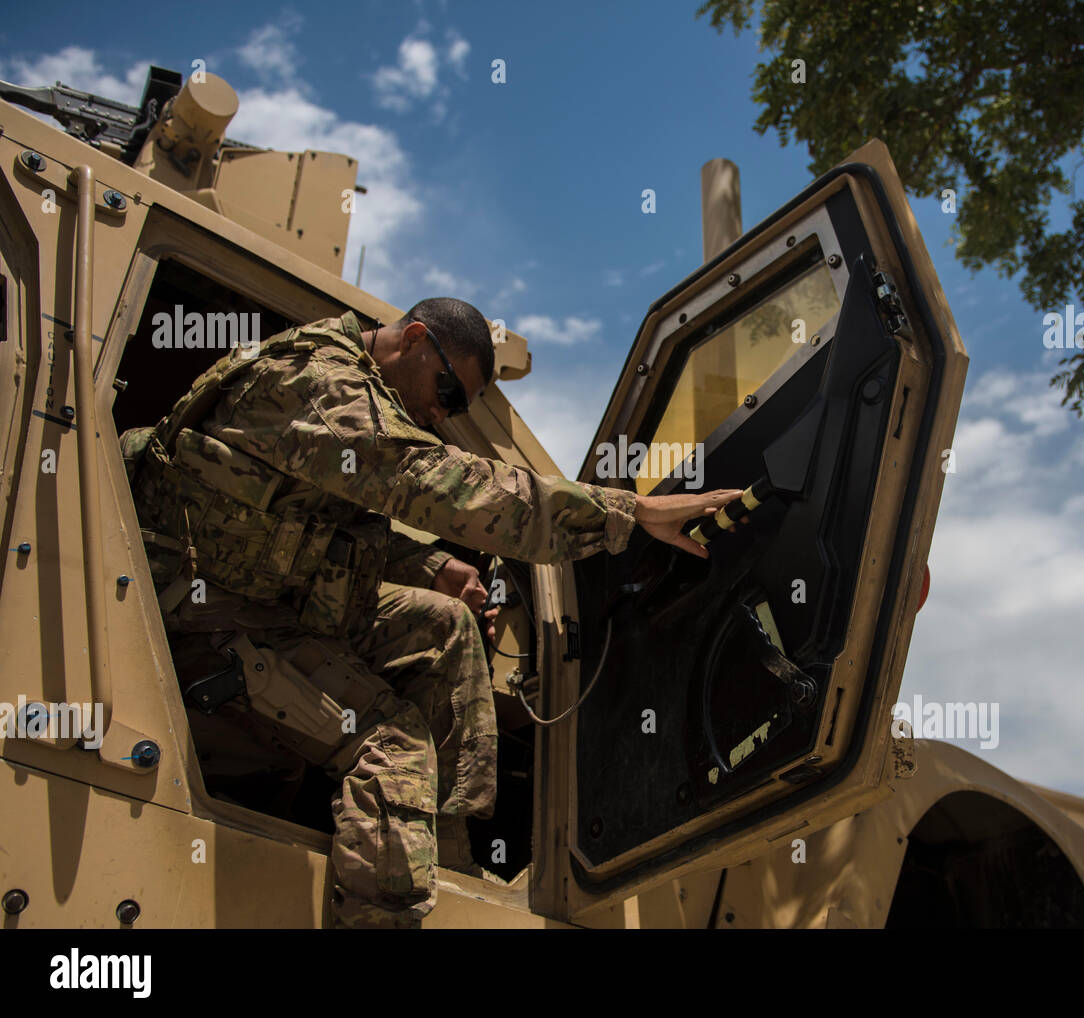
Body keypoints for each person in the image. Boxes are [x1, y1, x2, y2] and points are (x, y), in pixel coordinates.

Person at [120, 296, 739, 929]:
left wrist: (431, 567)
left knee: (444, 627)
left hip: (270, 596)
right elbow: (438, 481)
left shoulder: (351, 382)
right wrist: (629, 515)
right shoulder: (322, 385)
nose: (442, 412)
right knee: (396, 745)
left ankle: (448, 866)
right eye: (447, 388)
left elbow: (309, 523)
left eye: (459, 406)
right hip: (209, 615)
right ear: (415, 338)